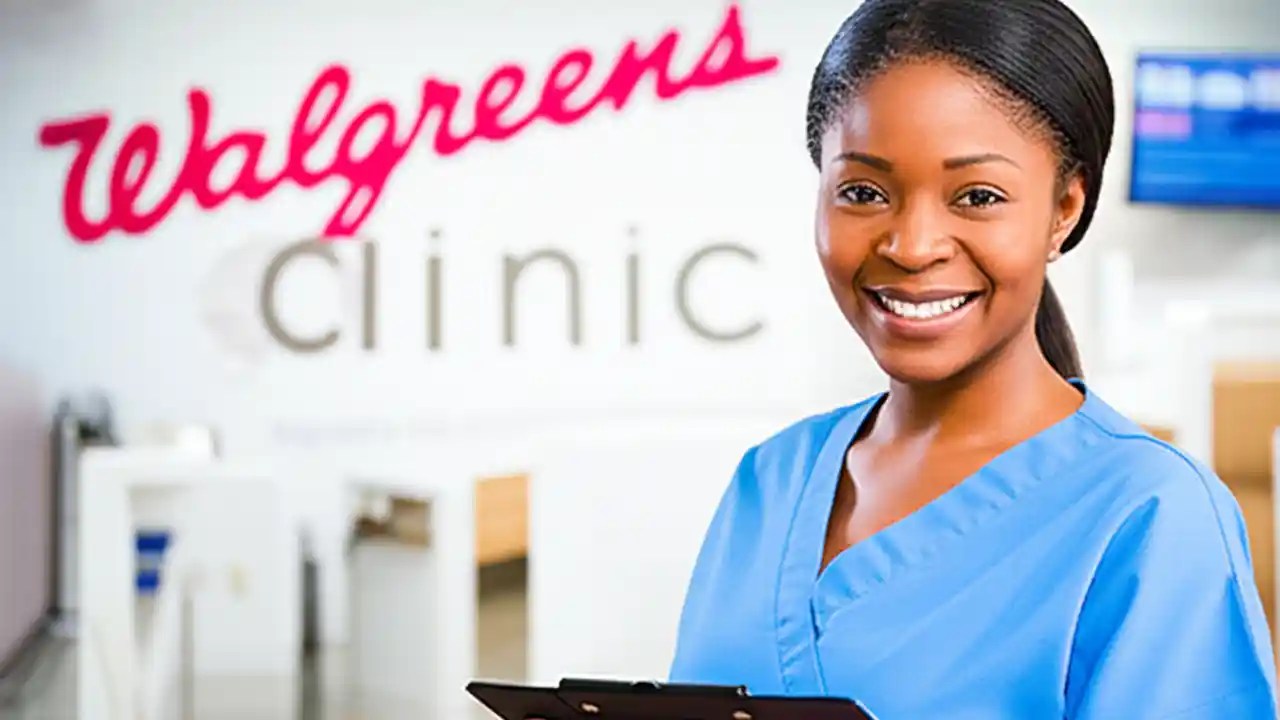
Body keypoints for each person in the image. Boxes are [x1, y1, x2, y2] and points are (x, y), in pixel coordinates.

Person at [668, 0, 1279, 717]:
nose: (913, 244)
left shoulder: (1151, 516)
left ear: (1065, 209)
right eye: (863, 192)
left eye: (978, 196)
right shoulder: (767, 482)